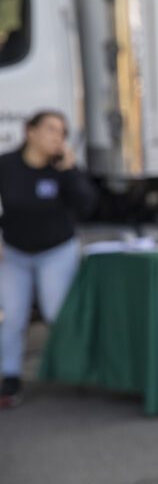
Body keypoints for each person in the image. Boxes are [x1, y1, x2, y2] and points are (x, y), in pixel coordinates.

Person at [0, 111, 97, 408]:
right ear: (30, 132)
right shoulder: (7, 165)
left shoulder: (62, 169)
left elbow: (88, 206)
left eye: (63, 132)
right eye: (51, 129)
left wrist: (70, 171)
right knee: (12, 316)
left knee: (57, 312)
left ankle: (79, 370)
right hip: (14, 252)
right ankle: (11, 379)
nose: (58, 137)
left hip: (55, 251)